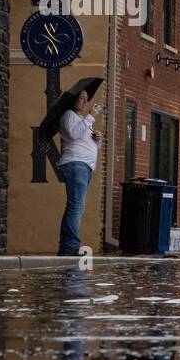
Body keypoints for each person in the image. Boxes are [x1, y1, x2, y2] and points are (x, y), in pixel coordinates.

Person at [58, 90, 101, 256]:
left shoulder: (83, 121)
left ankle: (66, 245)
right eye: (81, 98)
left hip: (84, 167)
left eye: (86, 99)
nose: (85, 101)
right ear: (73, 100)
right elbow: (74, 135)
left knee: (76, 206)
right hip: (76, 164)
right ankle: (70, 246)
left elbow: (87, 144)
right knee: (76, 206)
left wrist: (97, 140)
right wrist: (91, 116)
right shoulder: (68, 115)